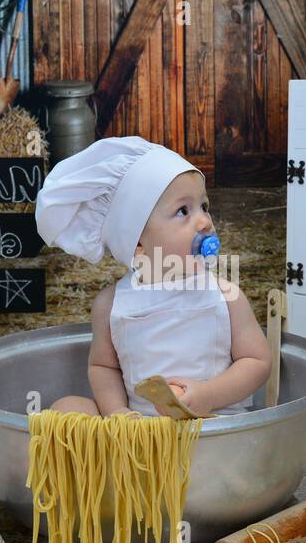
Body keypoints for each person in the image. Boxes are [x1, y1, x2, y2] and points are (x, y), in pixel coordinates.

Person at [34, 137, 271, 417]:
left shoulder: (225, 296)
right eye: (183, 211)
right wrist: (117, 412)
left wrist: (209, 395)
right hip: (143, 433)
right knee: (66, 408)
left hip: (212, 424)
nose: (205, 221)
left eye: (204, 206)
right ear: (137, 244)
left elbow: (257, 361)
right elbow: (103, 367)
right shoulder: (111, 304)